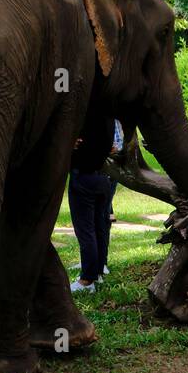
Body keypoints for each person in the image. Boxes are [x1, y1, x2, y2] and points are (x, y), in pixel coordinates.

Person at [68, 103, 115, 293]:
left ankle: (87, 280)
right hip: (102, 176)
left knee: (86, 231)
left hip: (84, 177)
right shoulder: (109, 114)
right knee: (99, 227)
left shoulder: (86, 115)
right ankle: (97, 273)